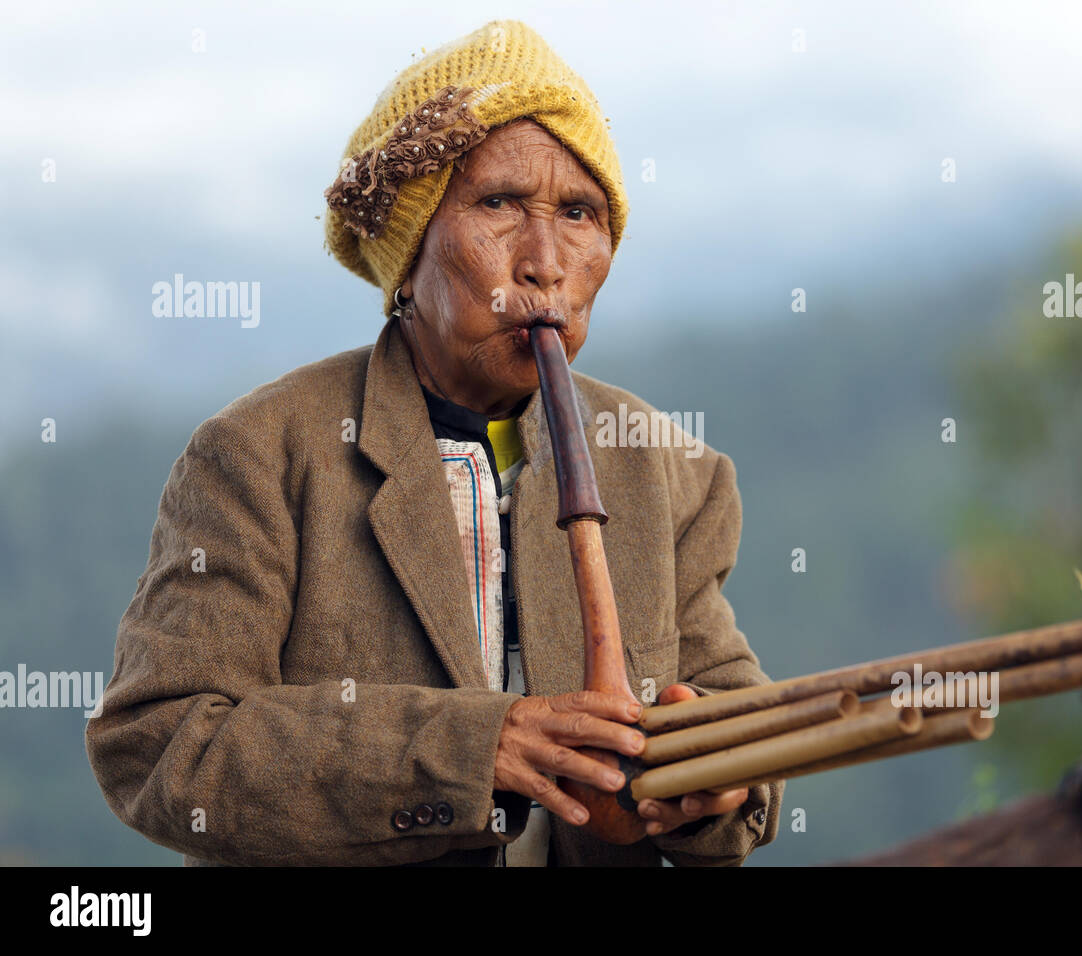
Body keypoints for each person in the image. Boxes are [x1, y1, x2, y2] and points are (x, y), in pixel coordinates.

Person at [86, 18, 781, 866]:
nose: (545, 262)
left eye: (579, 213)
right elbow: (159, 744)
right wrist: (470, 749)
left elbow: (742, 728)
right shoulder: (260, 455)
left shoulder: (673, 472)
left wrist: (719, 780)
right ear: (408, 255)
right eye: (499, 204)